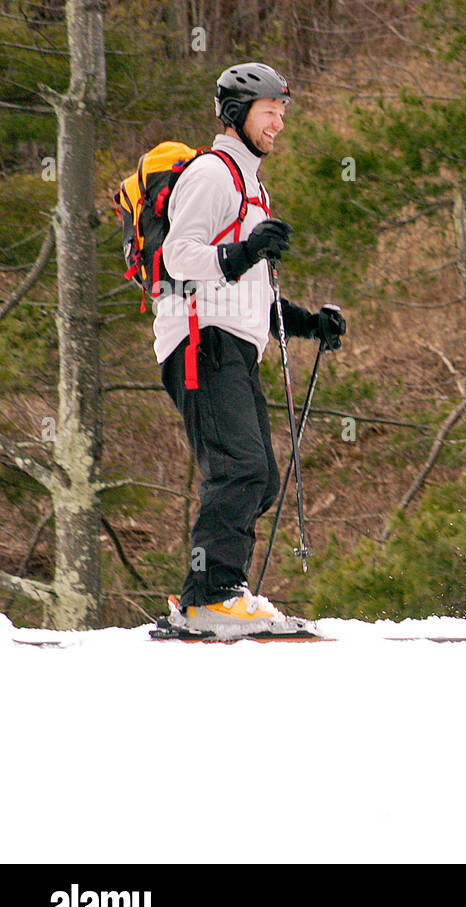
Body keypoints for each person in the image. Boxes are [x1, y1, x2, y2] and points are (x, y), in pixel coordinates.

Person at [153, 62, 345, 636]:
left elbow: (249, 293)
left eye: (282, 111)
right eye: (270, 111)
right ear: (237, 115)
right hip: (198, 340)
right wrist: (243, 251)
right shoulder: (213, 174)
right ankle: (211, 598)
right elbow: (178, 259)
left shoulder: (252, 184)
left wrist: (310, 323)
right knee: (237, 468)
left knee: (257, 477)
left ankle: (214, 595)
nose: (279, 122)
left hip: (231, 341)